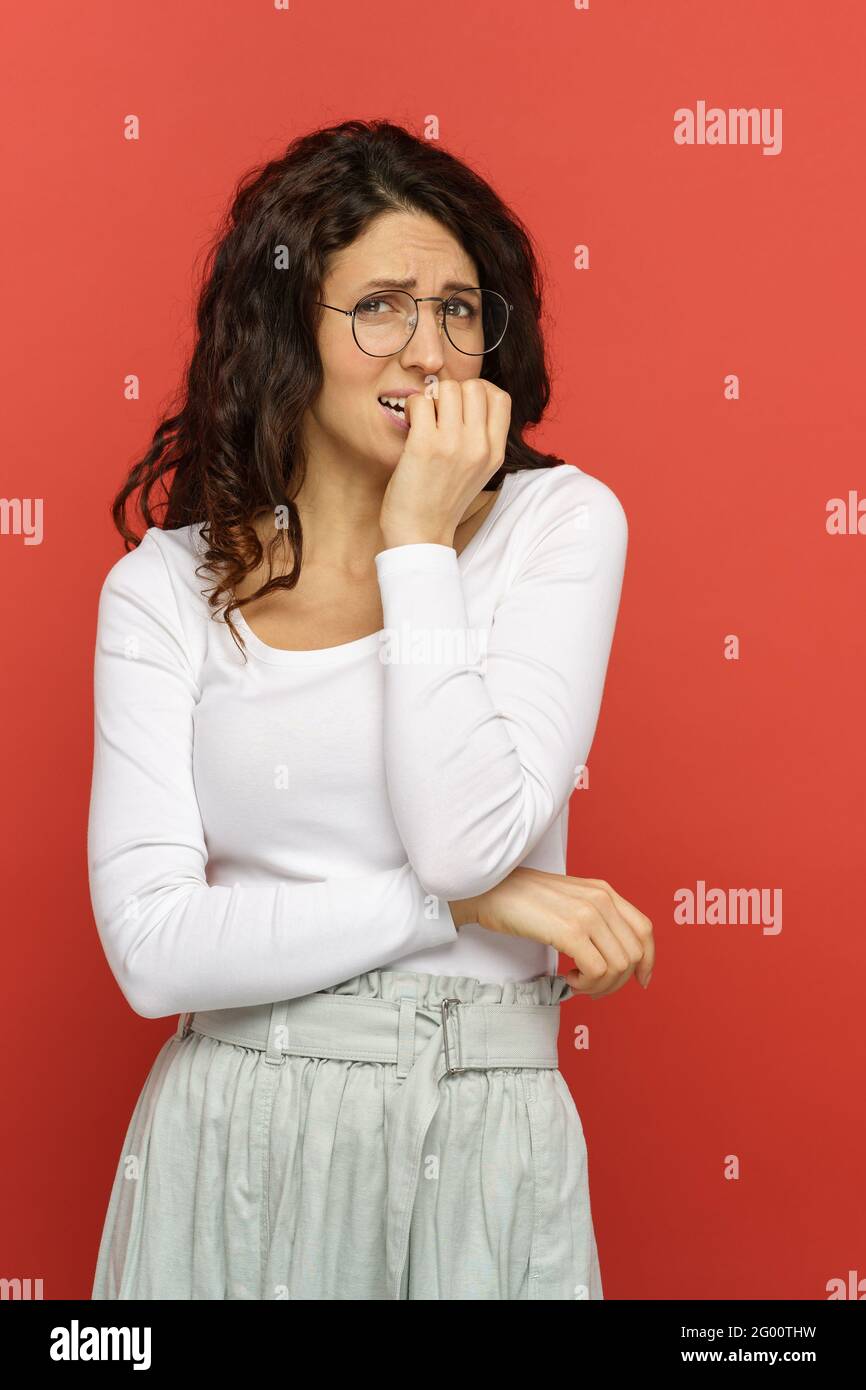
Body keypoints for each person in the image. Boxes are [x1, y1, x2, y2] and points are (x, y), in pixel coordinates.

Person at [87, 118, 653, 1301]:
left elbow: (463, 838)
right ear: (285, 329)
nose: (429, 353)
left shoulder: (557, 525)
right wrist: (455, 907)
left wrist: (415, 538)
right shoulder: (162, 589)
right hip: (234, 1135)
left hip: (477, 1124)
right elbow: (153, 952)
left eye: (458, 310)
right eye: (381, 307)